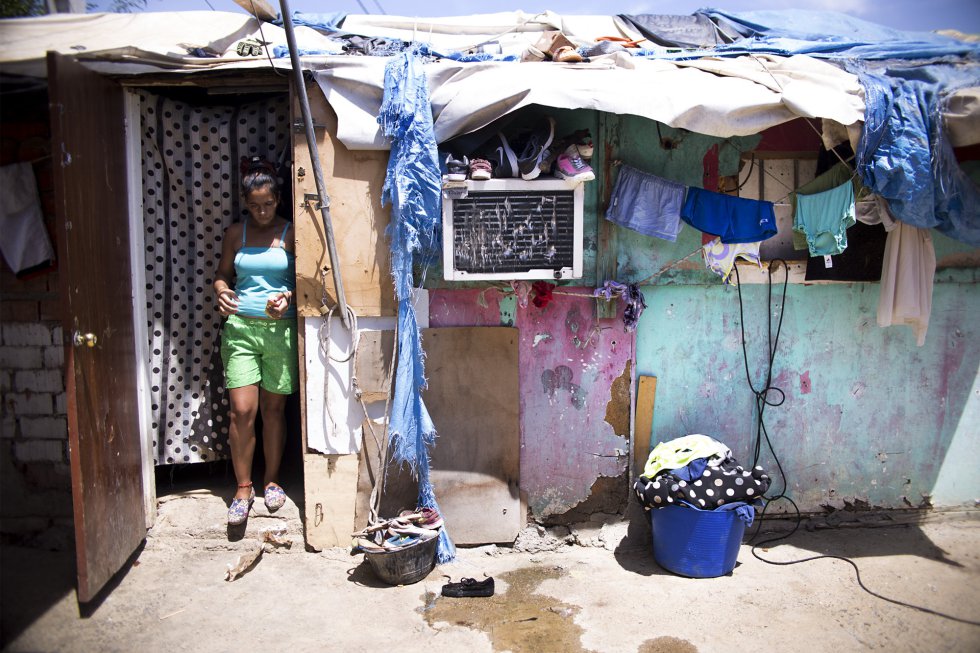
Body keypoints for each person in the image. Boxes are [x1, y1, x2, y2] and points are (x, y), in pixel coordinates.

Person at [213, 157, 297, 526]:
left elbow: (305, 280)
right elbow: (221, 274)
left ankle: (272, 480)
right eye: (254, 205)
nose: (262, 212)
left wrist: (288, 298)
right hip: (241, 331)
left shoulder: (292, 232)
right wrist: (221, 292)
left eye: (268, 204)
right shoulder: (236, 233)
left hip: (280, 332)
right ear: (245, 204)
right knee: (241, 411)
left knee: (273, 411)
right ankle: (243, 488)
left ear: (278, 199)